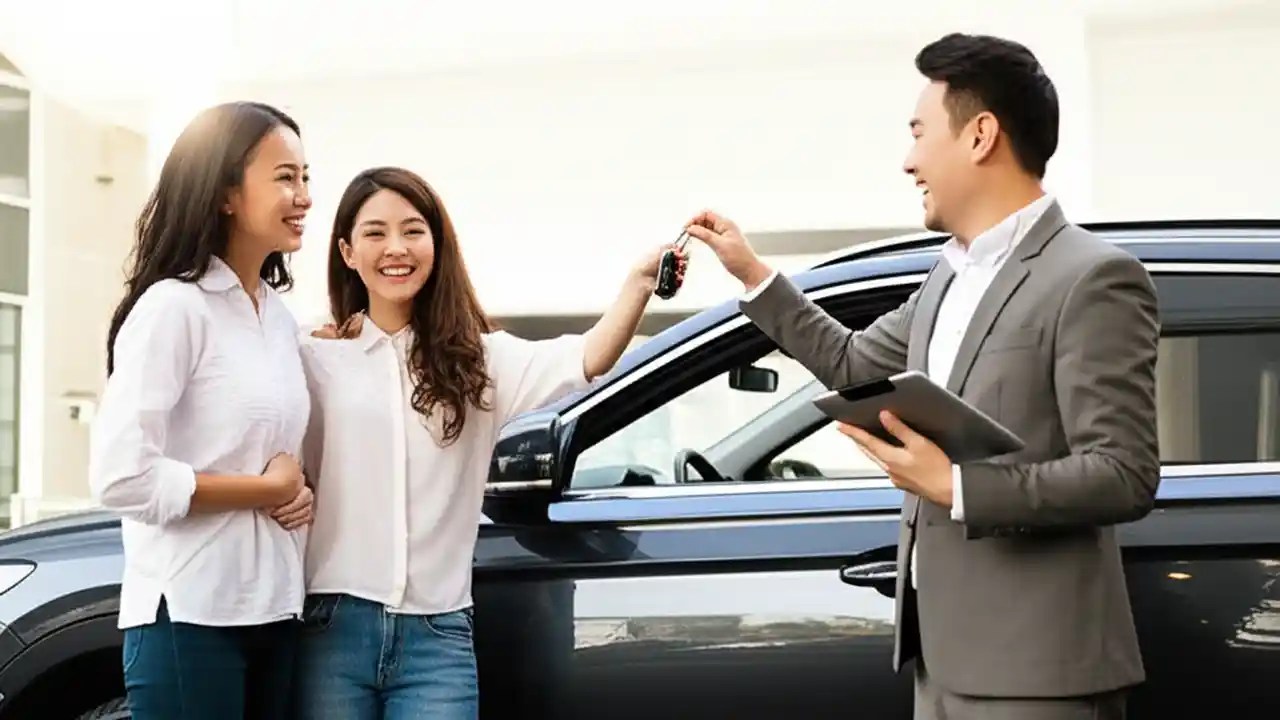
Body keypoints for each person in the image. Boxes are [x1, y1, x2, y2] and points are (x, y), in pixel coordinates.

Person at [685, 33, 1159, 720]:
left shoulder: (1092, 276)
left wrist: (954, 484)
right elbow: (852, 365)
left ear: (980, 136)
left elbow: (1123, 472)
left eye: (918, 133)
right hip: (938, 664)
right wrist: (753, 275)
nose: (909, 162)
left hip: (1039, 675)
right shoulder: (949, 274)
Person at [293, 166, 685, 719]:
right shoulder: (313, 358)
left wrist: (641, 283)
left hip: (437, 638)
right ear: (347, 252)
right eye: (375, 233)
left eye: (413, 230)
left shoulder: (479, 360)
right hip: (331, 629)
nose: (396, 248)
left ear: (437, 244)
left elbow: (585, 359)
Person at [88, 101, 316, 719]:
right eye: (285, 177)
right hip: (188, 616)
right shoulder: (174, 308)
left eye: (305, 177)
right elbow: (121, 475)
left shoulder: (279, 319)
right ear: (225, 194)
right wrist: (261, 489)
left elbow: (280, 461)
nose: (304, 196)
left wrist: (298, 491)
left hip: (276, 609)